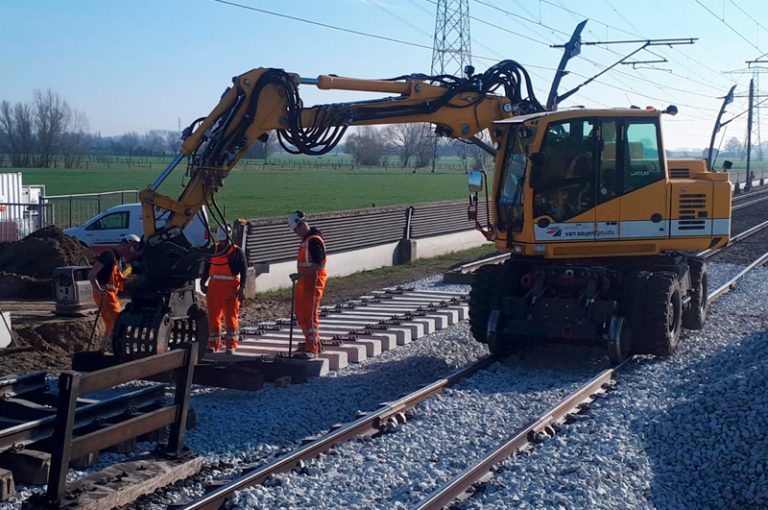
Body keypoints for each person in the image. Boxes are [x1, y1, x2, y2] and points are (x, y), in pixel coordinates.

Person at [88, 234, 141, 353]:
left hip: (111, 295)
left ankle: (104, 347)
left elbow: (121, 275)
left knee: (110, 323)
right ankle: (113, 346)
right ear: (127, 244)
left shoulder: (118, 260)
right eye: (132, 247)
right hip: (105, 294)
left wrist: (133, 265)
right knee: (118, 320)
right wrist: (99, 291)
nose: (132, 251)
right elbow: (92, 275)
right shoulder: (108, 255)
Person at [201, 226, 247, 354]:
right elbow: (206, 267)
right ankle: (213, 344)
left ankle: (231, 345)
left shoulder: (237, 252)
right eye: (221, 241)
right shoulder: (213, 249)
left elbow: (244, 271)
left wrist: (242, 288)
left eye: (224, 241)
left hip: (230, 288)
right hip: (214, 287)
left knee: (231, 317)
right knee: (213, 317)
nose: (222, 243)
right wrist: (202, 282)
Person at [288, 211, 327, 360]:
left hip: (313, 282)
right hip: (305, 283)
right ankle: (311, 342)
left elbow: (318, 264)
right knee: (301, 313)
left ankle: (312, 349)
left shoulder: (314, 240)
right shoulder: (307, 240)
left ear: (301, 225)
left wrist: (300, 276)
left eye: (296, 230)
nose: (295, 233)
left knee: (310, 316)